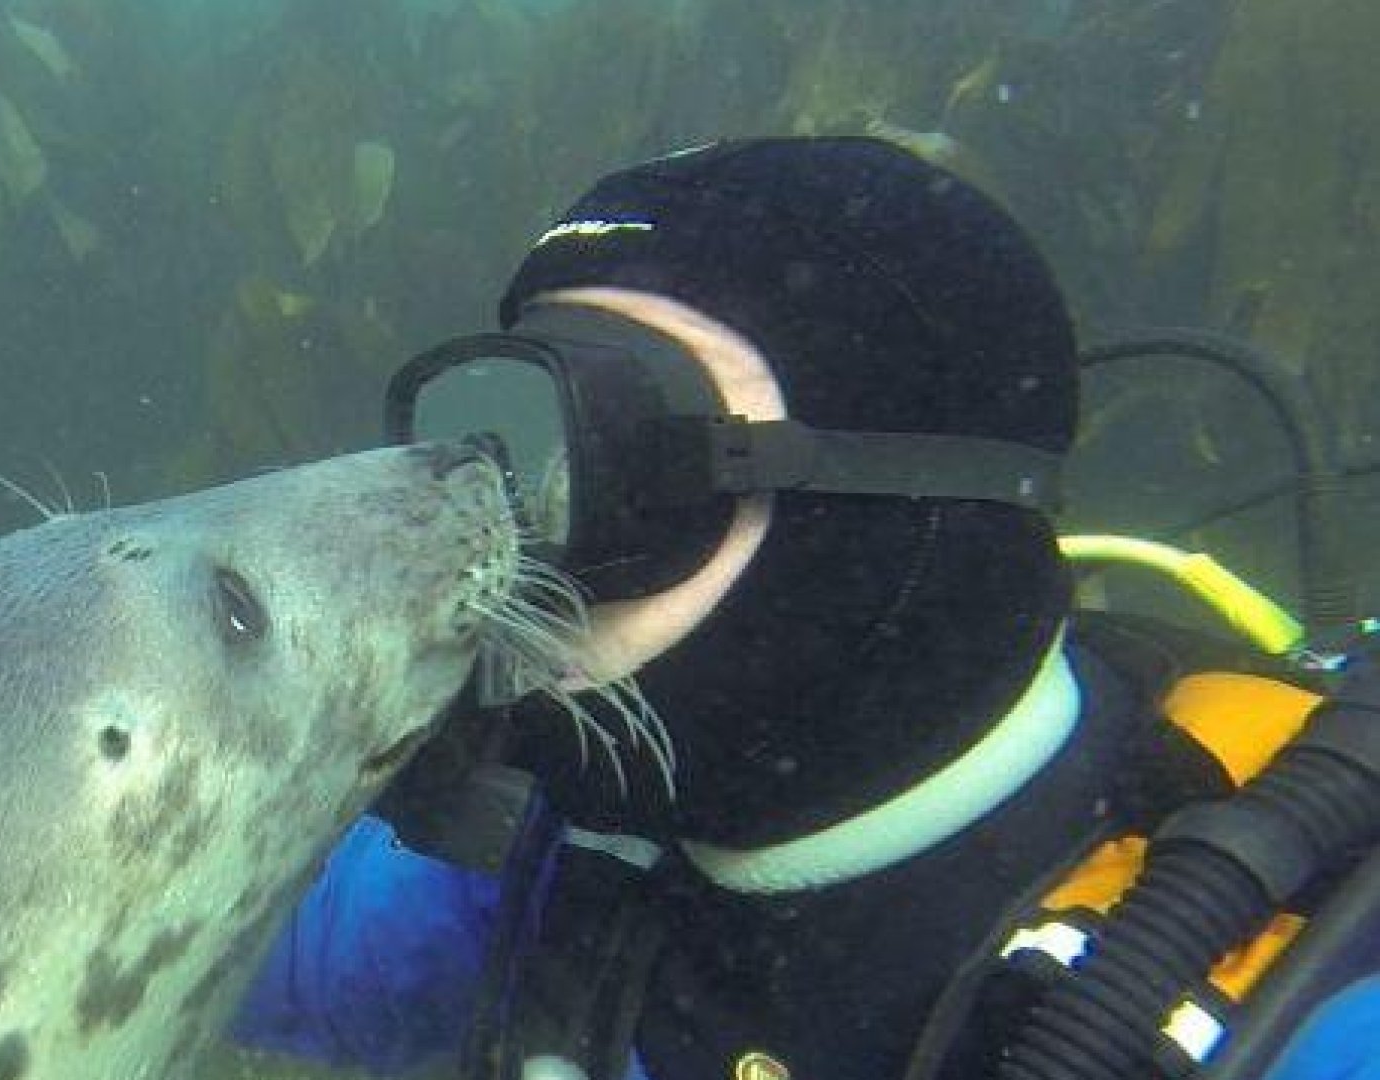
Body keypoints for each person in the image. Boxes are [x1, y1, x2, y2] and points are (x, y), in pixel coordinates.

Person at [232, 137, 1380, 1080]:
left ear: (903, 516)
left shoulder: (1314, 1013)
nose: (527, 564)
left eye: (633, 461)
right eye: (531, 455)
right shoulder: (544, 889)